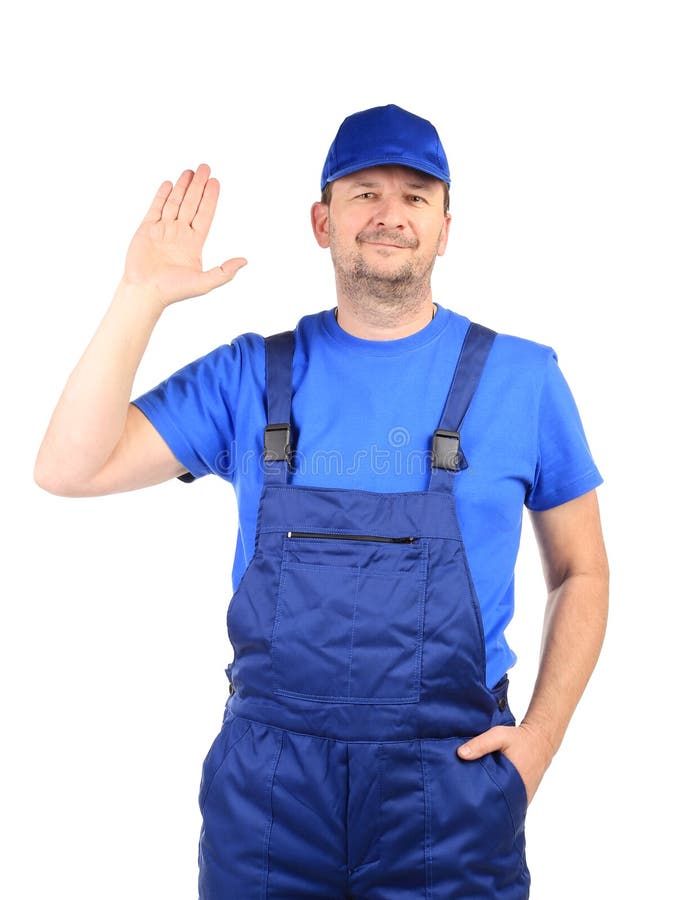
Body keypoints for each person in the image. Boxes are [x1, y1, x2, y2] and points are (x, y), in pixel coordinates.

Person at [34, 104, 609, 898]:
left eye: (416, 196)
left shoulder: (524, 379)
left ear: (446, 227)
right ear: (322, 220)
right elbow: (68, 467)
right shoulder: (249, 377)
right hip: (269, 798)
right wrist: (141, 295)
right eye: (364, 192)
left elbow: (584, 572)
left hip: (451, 789)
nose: (389, 214)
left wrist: (540, 742)